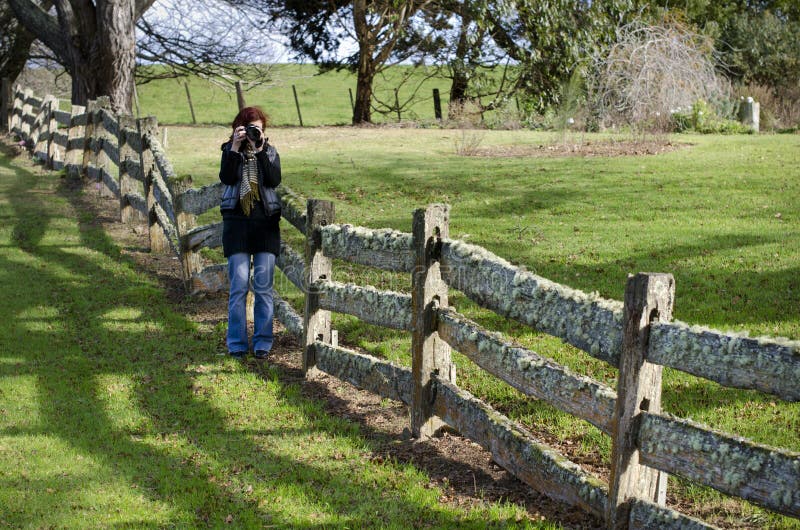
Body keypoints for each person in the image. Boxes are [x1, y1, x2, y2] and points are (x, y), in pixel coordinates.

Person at [218, 106, 281, 360]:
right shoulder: (228, 150)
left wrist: (260, 149)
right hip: (237, 226)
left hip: (265, 226)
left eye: (258, 128)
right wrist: (234, 147)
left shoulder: (270, 151)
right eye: (249, 128)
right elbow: (227, 177)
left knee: (264, 287)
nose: (254, 132)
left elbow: (273, 180)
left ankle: (263, 342)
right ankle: (236, 343)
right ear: (238, 129)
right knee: (238, 288)